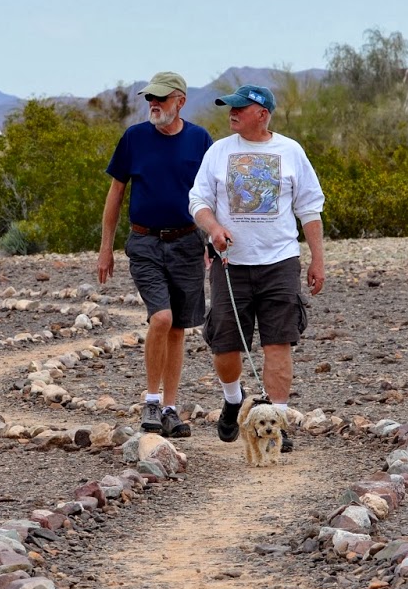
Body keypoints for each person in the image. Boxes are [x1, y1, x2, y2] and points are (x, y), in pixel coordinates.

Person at [189, 83, 326, 450]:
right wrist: (213, 228)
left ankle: (275, 425)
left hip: (280, 261)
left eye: (240, 107)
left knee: (278, 343)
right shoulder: (218, 152)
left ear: (262, 114)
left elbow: (309, 207)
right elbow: (198, 199)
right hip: (230, 264)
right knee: (225, 347)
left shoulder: (291, 151)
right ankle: (233, 398)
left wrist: (317, 259)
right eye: (229, 107)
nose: (231, 112)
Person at [98, 71, 213, 438]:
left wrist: (212, 239)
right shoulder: (134, 137)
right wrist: (106, 248)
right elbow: (116, 193)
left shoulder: (200, 140)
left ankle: (170, 408)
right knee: (161, 318)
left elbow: (213, 195)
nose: (154, 104)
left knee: (179, 327)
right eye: (150, 98)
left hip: (187, 242)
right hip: (145, 242)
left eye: (161, 98)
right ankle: (150, 400)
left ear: (180, 100)